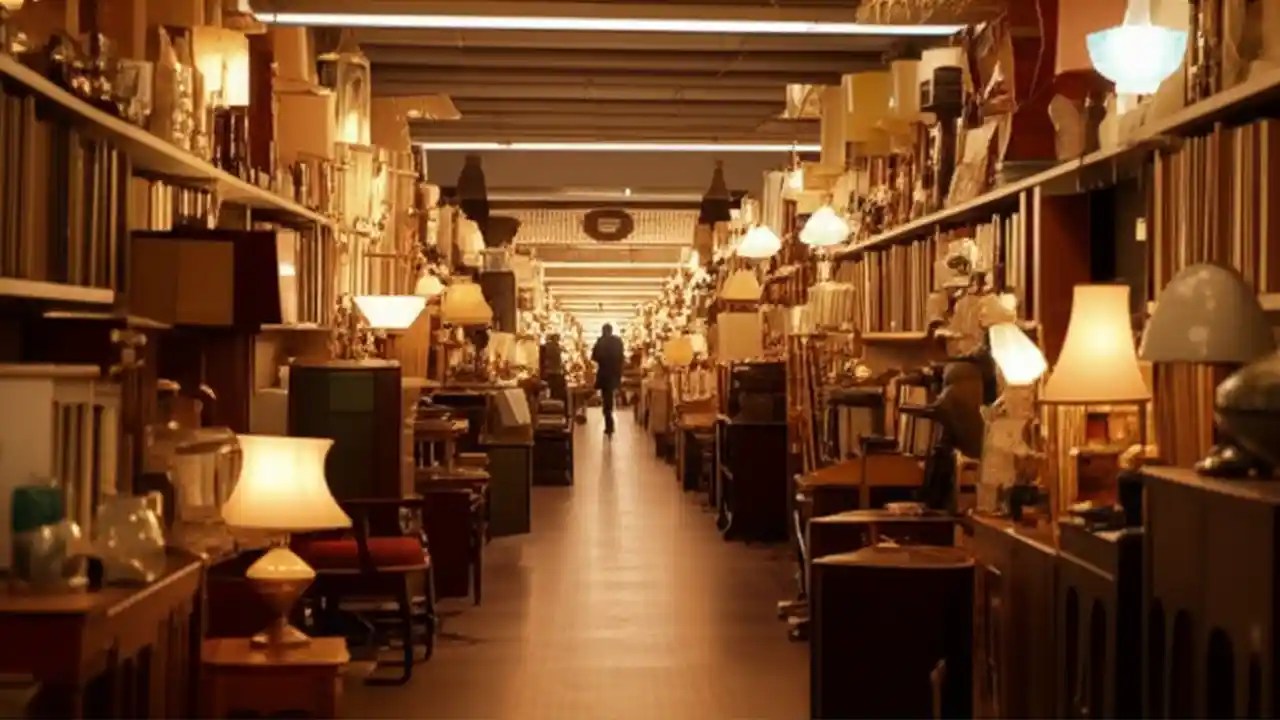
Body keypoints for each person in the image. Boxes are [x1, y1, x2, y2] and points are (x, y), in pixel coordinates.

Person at [591, 323, 625, 436]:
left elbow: (594, 356)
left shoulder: (601, 341)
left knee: (607, 399)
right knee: (610, 397)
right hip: (614, 373)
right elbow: (622, 357)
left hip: (604, 374)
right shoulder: (617, 341)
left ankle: (608, 423)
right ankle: (610, 420)